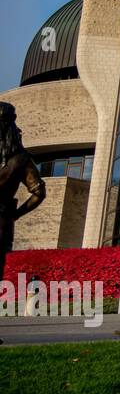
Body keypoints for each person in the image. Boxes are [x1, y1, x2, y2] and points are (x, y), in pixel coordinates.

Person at [0, 101, 46, 272]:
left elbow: (39, 192)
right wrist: (15, 214)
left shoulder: (20, 159)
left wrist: (15, 215)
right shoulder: (22, 159)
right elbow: (39, 193)